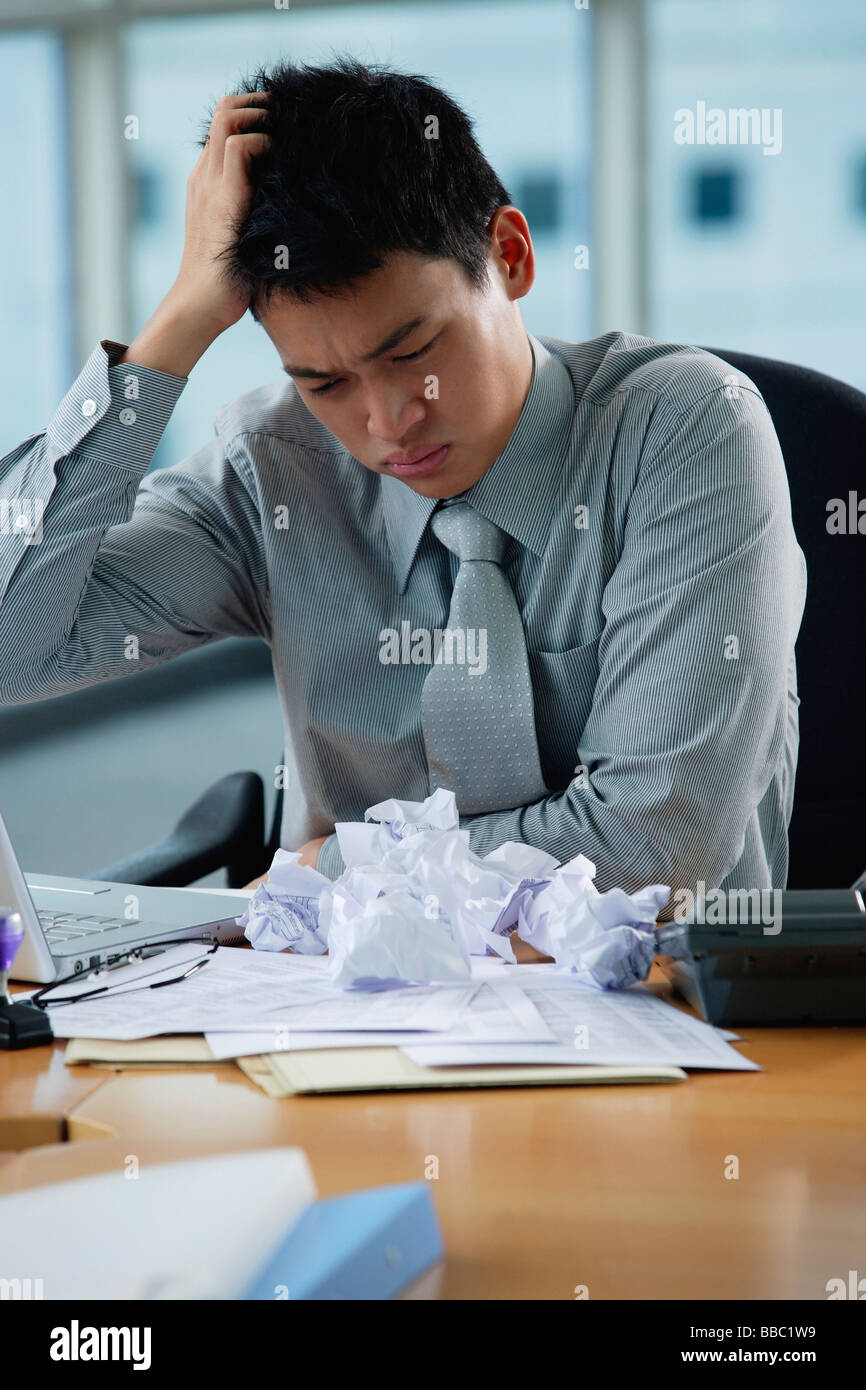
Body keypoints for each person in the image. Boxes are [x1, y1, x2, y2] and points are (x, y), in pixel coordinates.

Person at [0, 56, 806, 910]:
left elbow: (654, 846)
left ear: (510, 255)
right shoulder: (273, 470)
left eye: (412, 353)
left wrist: (339, 870)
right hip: (337, 1018)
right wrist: (178, 324)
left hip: (652, 1012)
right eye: (325, 382)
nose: (388, 421)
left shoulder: (685, 429)